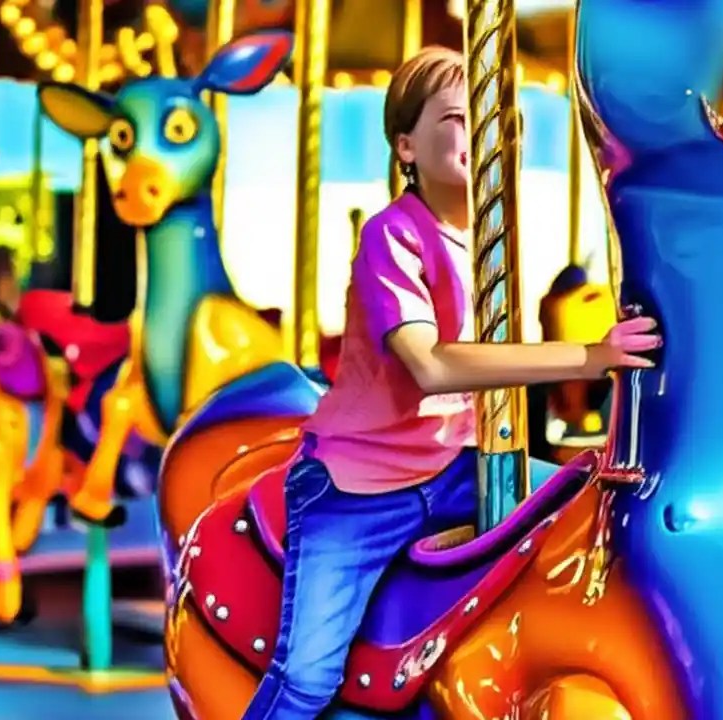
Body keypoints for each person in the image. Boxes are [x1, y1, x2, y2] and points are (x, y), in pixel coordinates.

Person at [243, 46, 660, 719]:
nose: (486, 132)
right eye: (460, 119)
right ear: (406, 146)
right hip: (361, 485)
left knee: (594, 510)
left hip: (460, 468)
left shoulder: (493, 245)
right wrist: (588, 356)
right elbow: (431, 365)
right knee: (308, 676)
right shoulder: (391, 238)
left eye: (499, 119)